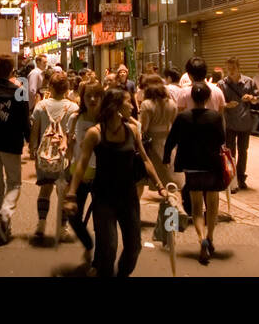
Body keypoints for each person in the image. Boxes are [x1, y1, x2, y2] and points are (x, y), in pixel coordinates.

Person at [64, 87, 167, 277]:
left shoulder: (133, 130)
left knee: (134, 247)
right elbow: (81, 164)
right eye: (128, 101)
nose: (132, 105)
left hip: (128, 197)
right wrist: (71, 193)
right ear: (116, 106)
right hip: (104, 198)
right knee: (109, 248)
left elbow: (145, 159)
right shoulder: (95, 133)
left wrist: (160, 186)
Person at [164, 82, 226, 263]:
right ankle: (211, 237)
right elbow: (221, 139)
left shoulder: (183, 117)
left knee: (197, 207)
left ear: (191, 97)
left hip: (191, 165)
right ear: (207, 98)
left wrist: (167, 156)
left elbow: (172, 139)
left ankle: (200, 239)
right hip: (212, 165)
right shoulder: (215, 117)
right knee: (213, 205)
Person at [0, 54, 31, 243]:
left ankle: (2, 222)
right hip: (11, 143)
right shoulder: (19, 90)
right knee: (15, 183)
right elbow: (24, 119)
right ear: (12, 70)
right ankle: (5, 214)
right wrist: (29, 139)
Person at [30, 72, 78, 241]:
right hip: (65, 157)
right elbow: (74, 134)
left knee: (45, 189)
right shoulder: (73, 108)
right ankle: (63, 228)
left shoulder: (41, 106)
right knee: (63, 193)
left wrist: (33, 149)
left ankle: (41, 224)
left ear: (50, 86)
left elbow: (35, 130)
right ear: (67, 88)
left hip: (44, 155)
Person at [65, 81, 105, 267]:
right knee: (73, 216)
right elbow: (70, 147)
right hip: (78, 175)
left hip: (102, 177)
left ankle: (99, 260)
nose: (92, 99)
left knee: (101, 222)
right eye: (88, 95)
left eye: (96, 95)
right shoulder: (75, 118)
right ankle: (88, 245)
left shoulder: (108, 119)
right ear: (82, 98)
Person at [220, 58, 258, 191]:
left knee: (243, 151)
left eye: (233, 68)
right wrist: (226, 105)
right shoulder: (222, 84)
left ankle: (241, 177)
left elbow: (256, 100)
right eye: (228, 68)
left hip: (245, 122)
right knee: (230, 152)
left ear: (238, 67)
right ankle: (232, 178)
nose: (230, 71)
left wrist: (252, 98)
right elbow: (219, 103)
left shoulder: (249, 82)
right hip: (229, 123)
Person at [137, 74, 178, 194]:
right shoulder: (171, 103)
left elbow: (144, 127)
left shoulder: (147, 104)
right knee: (170, 175)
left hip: (152, 142)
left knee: (143, 177)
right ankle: (172, 206)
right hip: (168, 139)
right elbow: (175, 124)